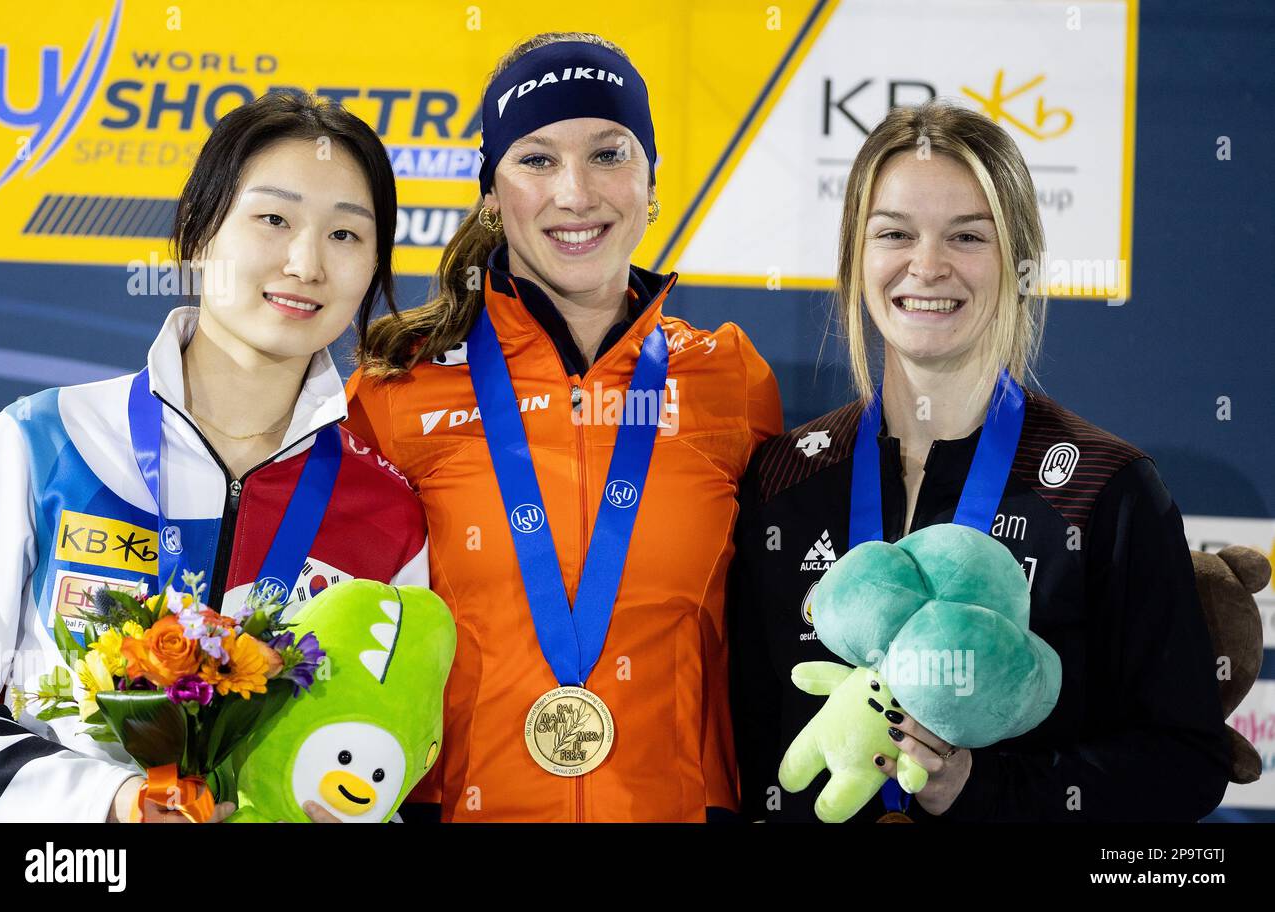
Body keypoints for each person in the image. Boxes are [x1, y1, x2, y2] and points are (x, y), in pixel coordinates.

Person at [728, 99, 1232, 823]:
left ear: (1021, 263)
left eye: (968, 236)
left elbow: (1186, 763)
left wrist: (981, 790)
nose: (927, 266)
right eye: (894, 233)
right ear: (855, 259)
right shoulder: (783, 481)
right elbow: (736, 738)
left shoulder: (1103, 490)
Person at [346, 32, 782, 822]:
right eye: (537, 159)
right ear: (491, 190)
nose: (576, 194)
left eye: (609, 154)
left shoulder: (731, 380)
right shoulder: (396, 392)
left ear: (651, 181)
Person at [0, 93, 428, 822]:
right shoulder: (45, 442)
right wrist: (108, 801)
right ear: (197, 231)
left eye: (346, 234)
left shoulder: (389, 516)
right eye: (273, 219)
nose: (305, 262)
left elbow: (384, 760)